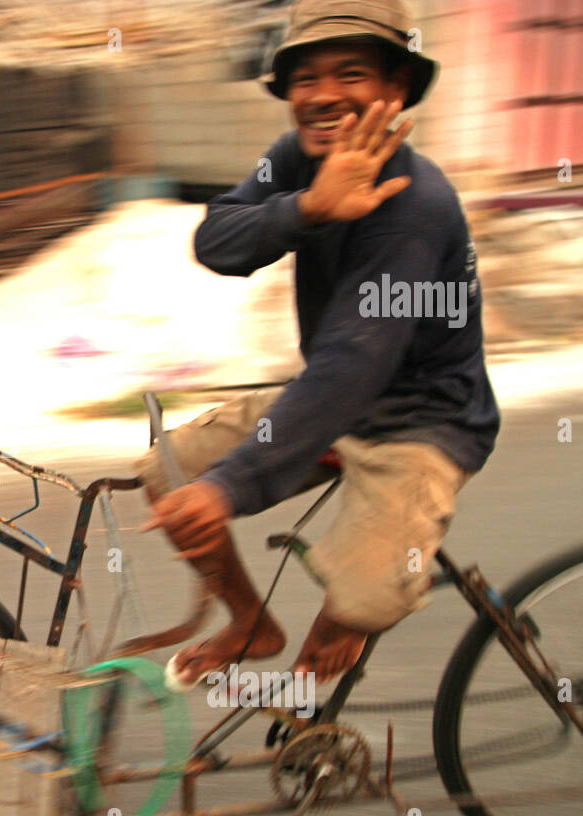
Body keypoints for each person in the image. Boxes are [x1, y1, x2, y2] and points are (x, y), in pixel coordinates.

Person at [135, 0, 499, 690]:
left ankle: (340, 625)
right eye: (305, 79)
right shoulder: (295, 162)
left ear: (395, 89)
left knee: (364, 595)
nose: (324, 95)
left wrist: (232, 486)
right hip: (337, 404)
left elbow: (354, 362)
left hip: (419, 425)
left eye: (352, 73)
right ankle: (250, 623)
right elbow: (216, 240)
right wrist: (307, 208)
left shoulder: (417, 205)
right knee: (168, 473)